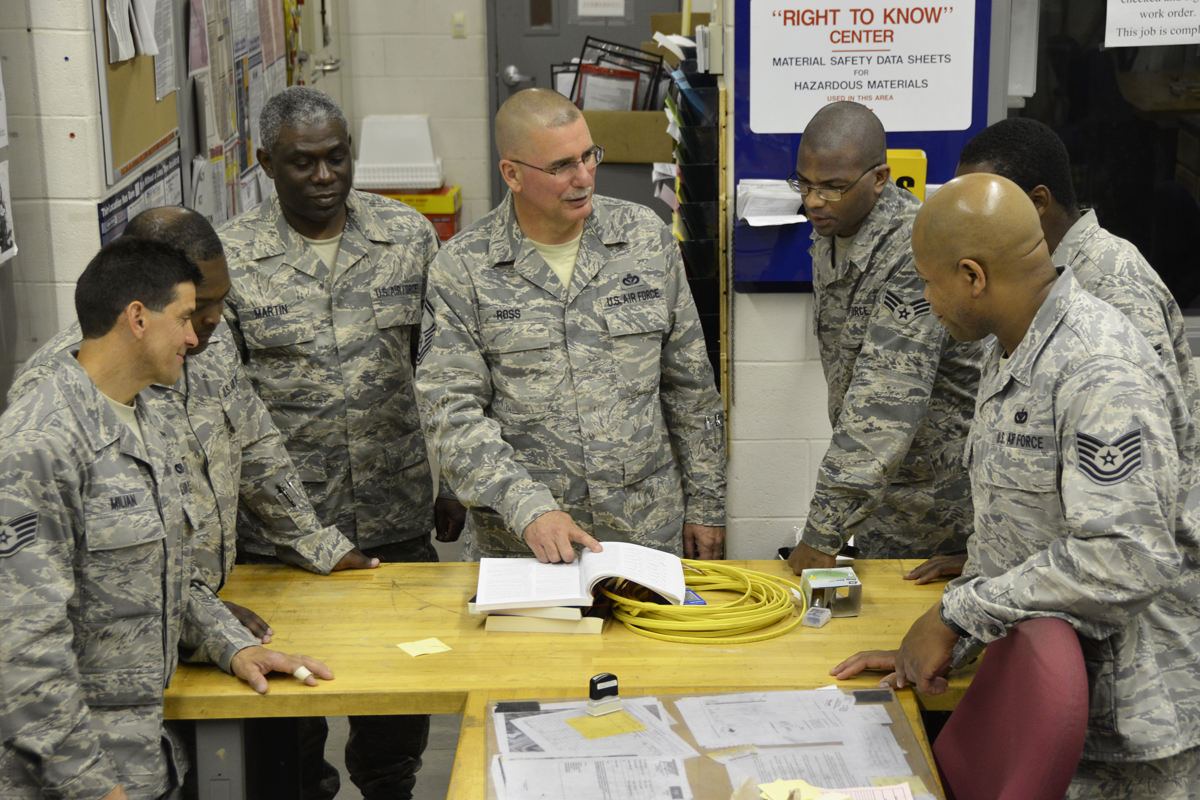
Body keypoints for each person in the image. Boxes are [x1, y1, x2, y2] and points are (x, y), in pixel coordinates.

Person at [833, 174, 1200, 798]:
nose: (925, 299)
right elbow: (1015, 543)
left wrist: (954, 615)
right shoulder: (1011, 349)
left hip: (1130, 729)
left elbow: (1124, 557)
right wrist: (943, 642)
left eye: (928, 280)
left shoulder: (1096, 367)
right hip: (1046, 697)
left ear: (973, 276)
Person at [0, 238, 332, 800]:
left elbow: (167, 577)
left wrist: (233, 644)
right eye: (182, 317)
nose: (194, 336)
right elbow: (23, 650)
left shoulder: (147, 414)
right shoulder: (39, 444)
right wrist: (89, 785)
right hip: (69, 778)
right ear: (136, 318)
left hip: (143, 757)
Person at [218, 87, 460, 800]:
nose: (324, 176)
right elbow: (225, 408)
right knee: (290, 735)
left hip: (396, 517)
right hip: (282, 537)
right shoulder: (231, 258)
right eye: (302, 163)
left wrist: (449, 481)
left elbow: (440, 371)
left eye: (337, 157)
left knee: (396, 713)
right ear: (265, 163)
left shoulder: (407, 237)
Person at [7, 207, 377, 644]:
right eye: (197, 307)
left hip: (212, 607)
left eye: (223, 299)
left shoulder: (209, 348)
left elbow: (259, 448)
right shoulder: (60, 388)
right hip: (126, 640)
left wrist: (315, 542)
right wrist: (193, 612)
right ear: (144, 302)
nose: (214, 319)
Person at [415, 87, 726, 563]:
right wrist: (529, 508)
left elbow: (691, 388)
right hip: (523, 543)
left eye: (589, 156)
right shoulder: (463, 268)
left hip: (643, 531)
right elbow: (451, 415)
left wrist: (707, 503)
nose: (583, 178)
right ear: (512, 174)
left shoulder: (646, 239)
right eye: (561, 166)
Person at [905, 116, 1200, 585]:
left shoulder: (1111, 285)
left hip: (1119, 616)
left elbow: (1141, 497)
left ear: (1036, 202)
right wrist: (999, 556)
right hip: (1048, 593)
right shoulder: (1018, 301)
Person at [784, 101, 985, 575]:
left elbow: (883, 407)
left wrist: (821, 534)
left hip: (940, 507)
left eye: (832, 187)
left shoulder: (917, 250)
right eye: (805, 183)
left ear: (879, 178)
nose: (814, 201)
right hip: (889, 497)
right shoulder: (834, 229)